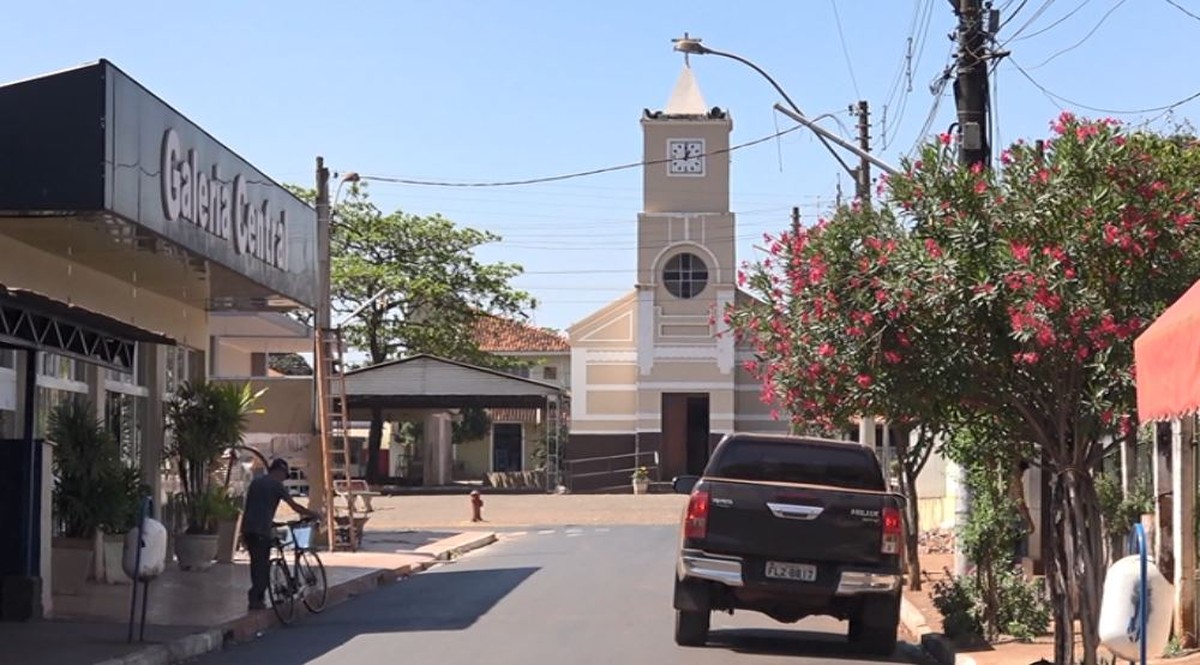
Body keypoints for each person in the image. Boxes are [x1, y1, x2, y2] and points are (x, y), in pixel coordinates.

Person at [242, 458, 318, 610]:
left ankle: (258, 597)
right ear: (279, 471)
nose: (284, 478)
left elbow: (255, 506)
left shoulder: (256, 482)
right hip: (261, 529)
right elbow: (294, 506)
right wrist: (312, 514)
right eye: (284, 475)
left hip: (248, 528)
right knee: (262, 565)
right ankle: (256, 597)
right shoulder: (277, 486)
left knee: (256, 563)